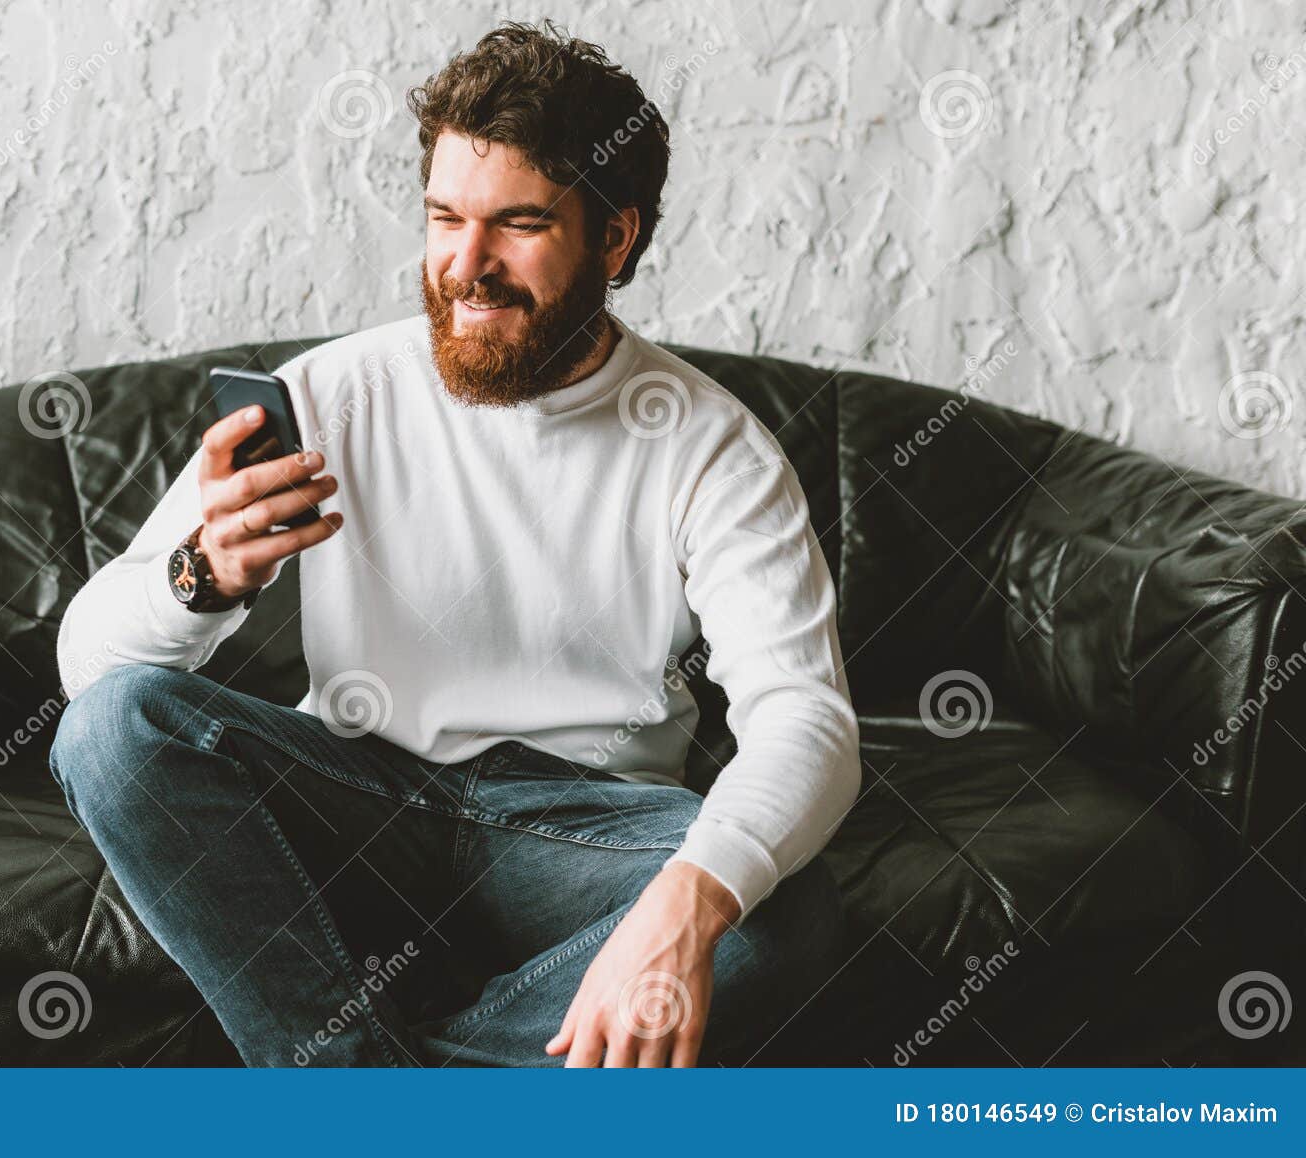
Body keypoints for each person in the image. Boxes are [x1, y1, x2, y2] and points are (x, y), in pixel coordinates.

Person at [49, 19, 859, 1067]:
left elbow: (805, 720)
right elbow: (86, 678)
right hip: (355, 798)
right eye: (443, 219)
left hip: (578, 826)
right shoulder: (332, 391)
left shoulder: (710, 448)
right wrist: (205, 576)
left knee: (778, 911)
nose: (464, 268)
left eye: (516, 225)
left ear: (614, 238)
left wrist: (684, 908)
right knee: (116, 727)